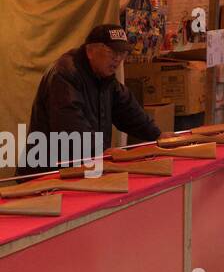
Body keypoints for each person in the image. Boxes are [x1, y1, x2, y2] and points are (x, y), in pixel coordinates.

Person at [23, 25, 162, 174]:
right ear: (90, 51)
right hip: (49, 172)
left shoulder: (105, 78)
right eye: (111, 51)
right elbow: (70, 124)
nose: (118, 58)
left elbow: (128, 111)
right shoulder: (64, 75)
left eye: (122, 53)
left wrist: (158, 135)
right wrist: (101, 152)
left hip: (83, 168)